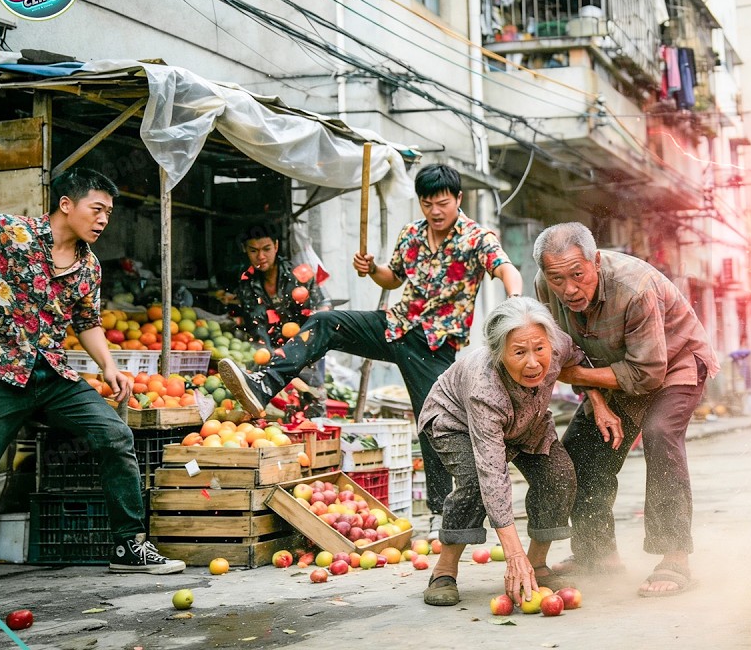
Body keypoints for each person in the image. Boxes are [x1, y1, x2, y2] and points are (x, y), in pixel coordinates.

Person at [218, 164, 524, 540]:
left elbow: (505, 269)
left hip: (433, 345)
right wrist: (372, 269)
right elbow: (393, 277)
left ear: (458, 199)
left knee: (434, 424)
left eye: (442, 202)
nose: (435, 211)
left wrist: (515, 304)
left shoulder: (477, 237)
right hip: (394, 326)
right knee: (327, 322)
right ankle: (264, 385)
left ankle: (444, 517)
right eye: (427, 203)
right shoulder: (412, 233)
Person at [0, 169, 185, 574]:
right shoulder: (11, 232)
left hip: (54, 375)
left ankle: (129, 547)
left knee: (115, 435)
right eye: (97, 209)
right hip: (2, 371)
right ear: (67, 205)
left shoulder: (89, 266)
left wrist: (110, 367)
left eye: (108, 213)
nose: (103, 220)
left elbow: (86, 321)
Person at [533, 222, 719, 598]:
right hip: (612, 371)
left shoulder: (634, 288)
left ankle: (675, 558)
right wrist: (597, 404)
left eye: (577, 275)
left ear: (596, 261)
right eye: (556, 278)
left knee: (659, 432)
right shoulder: (544, 288)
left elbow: (649, 373)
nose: (568, 289)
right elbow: (568, 354)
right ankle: (596, 554)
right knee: (582, 449)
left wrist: (580, 375)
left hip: (674, 363)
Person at [416, 297, 609, 607]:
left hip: (527, 420)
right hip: (457, 421)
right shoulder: (485, 387)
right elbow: (493, 475)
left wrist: (598, 403)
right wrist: (511, 555)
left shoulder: (555, 343)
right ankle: (444, 571)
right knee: (476, 483)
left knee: (558, 474)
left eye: (539, 350)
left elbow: (577, 359)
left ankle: (536, 565)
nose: (533, 363)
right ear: (499, 353)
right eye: (519, 353)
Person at [232, 229, 331, 413]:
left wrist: (311, 331)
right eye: (253, 250)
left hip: (306, 351)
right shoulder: (247, 284)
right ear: (245, 250)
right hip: (271, 354)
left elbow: (325, 304)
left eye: (266, 248)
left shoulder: (300, 275)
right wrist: (270, 358)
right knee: (278, 410)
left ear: (276, 246)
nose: (261, 256)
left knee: (311, 404)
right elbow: (257, 326)